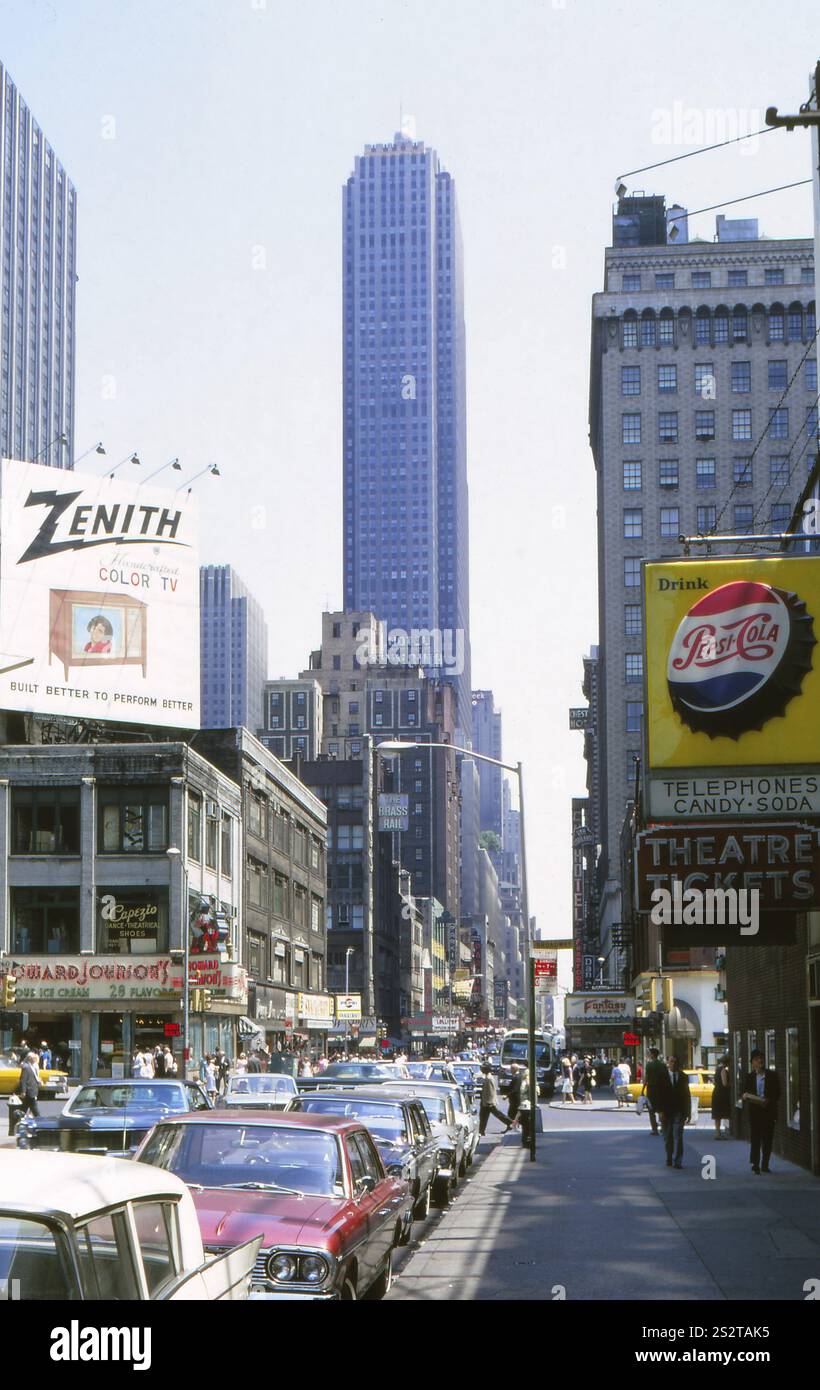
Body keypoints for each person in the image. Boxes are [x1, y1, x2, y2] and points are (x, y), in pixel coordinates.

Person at [742, 1049, 780, 1174]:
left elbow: (778, 1093)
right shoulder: (750, 1077)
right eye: (757, 1059)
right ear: (752, 1062)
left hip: (768, 1111)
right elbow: (743, 1092)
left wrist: (769, 1100)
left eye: (761, 1058)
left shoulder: (772, 1076)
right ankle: (755, 1164)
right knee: (755, 1139)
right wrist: (745, 1096)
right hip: (755, 1112)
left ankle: (765, 1164)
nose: (760, 1061)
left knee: (768, 1139)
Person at [656, 1054, 691, 1169]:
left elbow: (687, 1095)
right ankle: (669, 1158)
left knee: (678, 1136)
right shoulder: (661, 1076)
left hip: (679, 1111)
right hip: (665, 1111)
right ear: (668, 1063)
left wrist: (688, 1112)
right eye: (671, 1062)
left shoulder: (683, 1076)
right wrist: (660, 1111)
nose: (673, 1064)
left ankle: (678, 1161)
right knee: (667, 1137)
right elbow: (658, 1095)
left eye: (675, 1062)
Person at [478, 1063, 512, 1136]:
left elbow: (491, 1091)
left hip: (488, 1102)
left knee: (498, 1115)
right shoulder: (487, 1077)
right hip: (486, 1101)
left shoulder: (489, 1078)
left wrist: (489, 1102)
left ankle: (511, 1123)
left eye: (483, 1068)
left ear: (487, 1069)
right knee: (483, 1116)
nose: (481, 1069)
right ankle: (481, 1131)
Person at [642, 1047, 666, 1136]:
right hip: (661, 1089)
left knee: (651, 1110)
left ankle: (654, 1129)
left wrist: (642, 1090)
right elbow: (666, 1078)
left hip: (651, 1090)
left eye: (650, 1053)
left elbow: (646, 1078)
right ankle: (663, 1128)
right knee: (661, 1109)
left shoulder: (649, 1065)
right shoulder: (662, 1065)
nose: (649, 1055)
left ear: (652, 1055)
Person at [16, 1051, 41, 1122]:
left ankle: (17, 1120)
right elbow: (23, 1080)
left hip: (32, 1091)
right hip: (29, 1091)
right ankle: (40, 1122)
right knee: (35, 1110)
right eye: (33, 1057)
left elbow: (34, 1077)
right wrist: (23, 1091)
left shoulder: (32, 1066)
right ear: (30, 1058)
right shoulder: (26, 1067)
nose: (35, 1059)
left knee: (24, 1109)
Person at [711, 1055, 731, 1139]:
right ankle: (721, 1133)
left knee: (717, 1115)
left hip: (716, 1093)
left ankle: (717, 1133)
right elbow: (725, 1083)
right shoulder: (723, 1070)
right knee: (722, 1113)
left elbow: (714, 1082)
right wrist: (731, 1084)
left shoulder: (717, 1069)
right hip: (721, 1094)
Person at [517, 1069, 533, 1148]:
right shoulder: (527, 1082)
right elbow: (531, 1092)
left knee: (525, 1125)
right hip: (527, 1105)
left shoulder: (522, 1082)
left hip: (522, 1105)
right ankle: (527, 1142)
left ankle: (524, 1141)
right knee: (528, 1125)